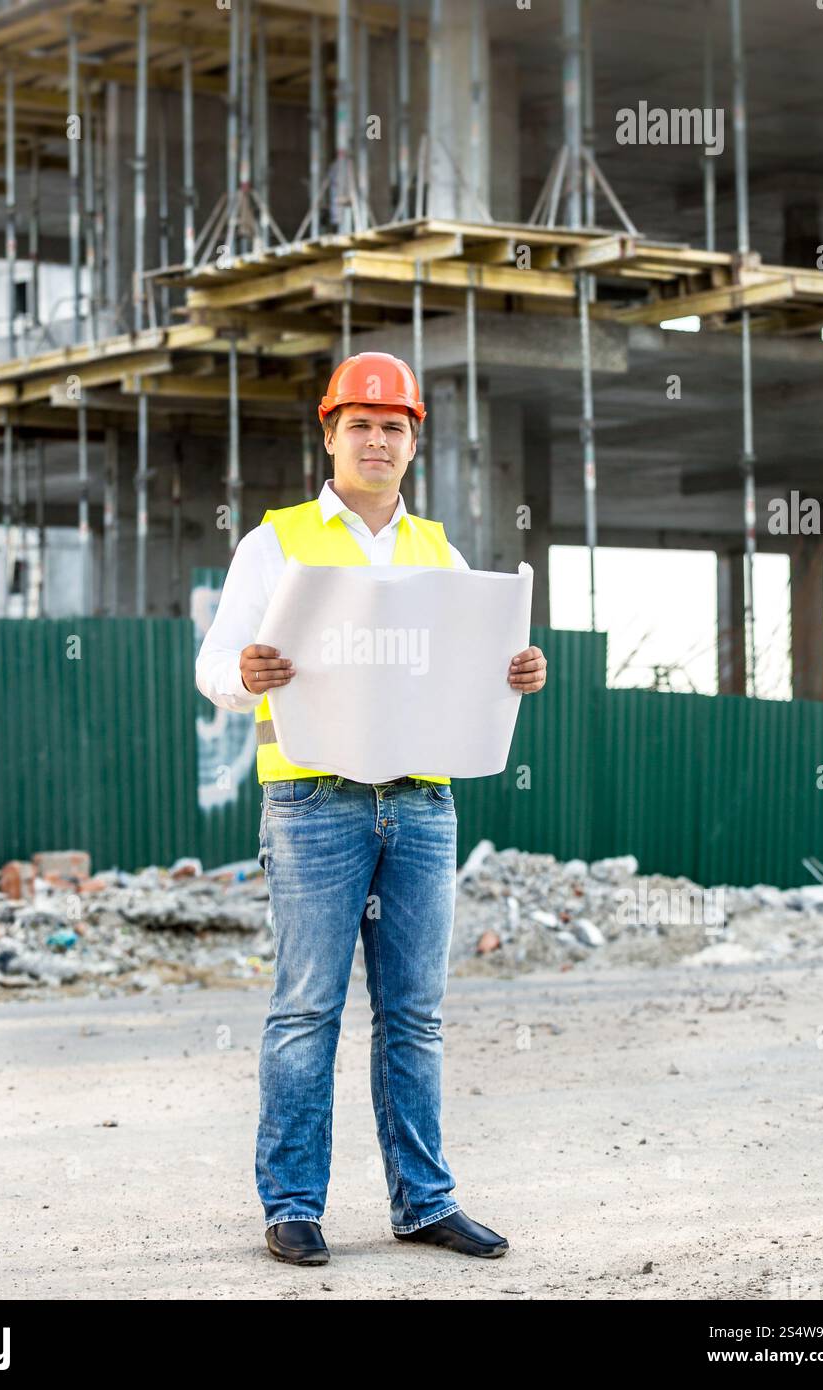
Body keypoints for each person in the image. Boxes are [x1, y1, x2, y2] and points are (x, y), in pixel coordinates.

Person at [196, 350, 546, 1266]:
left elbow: (473, 669)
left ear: (413, 440)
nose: (379, 438)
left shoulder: (440, 553)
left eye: (394, 426)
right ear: (330, 432)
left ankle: (424, 1203)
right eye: (362, 423)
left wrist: (516, 672)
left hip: (421, 806)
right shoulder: (273, 542)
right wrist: (243, 673)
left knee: (414, 1014)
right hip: (313, 804)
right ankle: (293, 1208)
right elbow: (213, 664)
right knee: (308, 1007)